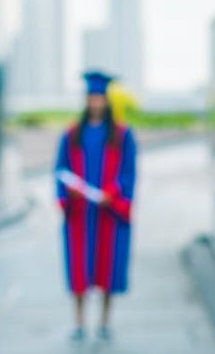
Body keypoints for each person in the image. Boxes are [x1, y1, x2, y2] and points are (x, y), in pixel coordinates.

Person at [55, 71, 138, 342]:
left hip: (108, 214)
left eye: (99, 97)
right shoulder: (71, 134)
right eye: (91, 97)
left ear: (106, 100)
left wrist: (112, 193)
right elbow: (60, 170)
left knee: (107, 269)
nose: (95, 102)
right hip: (80, 214)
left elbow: (129, 173)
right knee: (80, 270)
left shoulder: (122, 135)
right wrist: (68, 193)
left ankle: (104, 322)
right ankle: (79, 323)